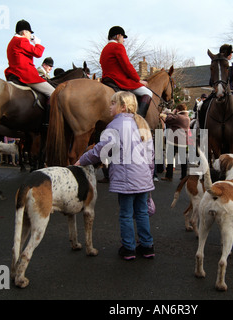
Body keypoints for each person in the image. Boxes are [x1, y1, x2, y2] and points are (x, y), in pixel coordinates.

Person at [76, 91, 155, 260]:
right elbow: (151, 155)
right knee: (141, 212)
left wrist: (81, 161)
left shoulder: (114, 126)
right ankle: (147, 246)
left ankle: (128, 248)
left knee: (126, 213)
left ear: (123, 107)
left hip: (126, 179)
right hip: (143, 178)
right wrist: (149, 176)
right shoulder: (142, 124)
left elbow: (99, 151)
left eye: (112, 104)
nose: (109, 107)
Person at [4, 19, 55, 124]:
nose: (30, 35)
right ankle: (47, 122)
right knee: (53, 93)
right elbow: (37, 53)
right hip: (25, 74)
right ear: (24, 32)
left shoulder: (12, 42)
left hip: (14, 73)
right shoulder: (21, 40)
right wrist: (37, 43)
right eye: (29, 33)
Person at [100, 26, 152, 118]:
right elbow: (127, 66)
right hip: (118, 80)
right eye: (123, 37)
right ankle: (139, 120)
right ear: (118, 36)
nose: (123, 40)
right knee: (148, 93)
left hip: (106, 80)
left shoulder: (104, 49)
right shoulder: (118, 46)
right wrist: (137, 80)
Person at [160, 104, 190, 182]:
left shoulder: (178, 117)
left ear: (178, 110)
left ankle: (169, 176)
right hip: (183, 141)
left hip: (174, 141)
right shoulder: (187, 117)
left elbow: (167, 120)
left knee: (170, 159)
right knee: (183, 160)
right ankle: (184, 176)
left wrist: (171, 113)